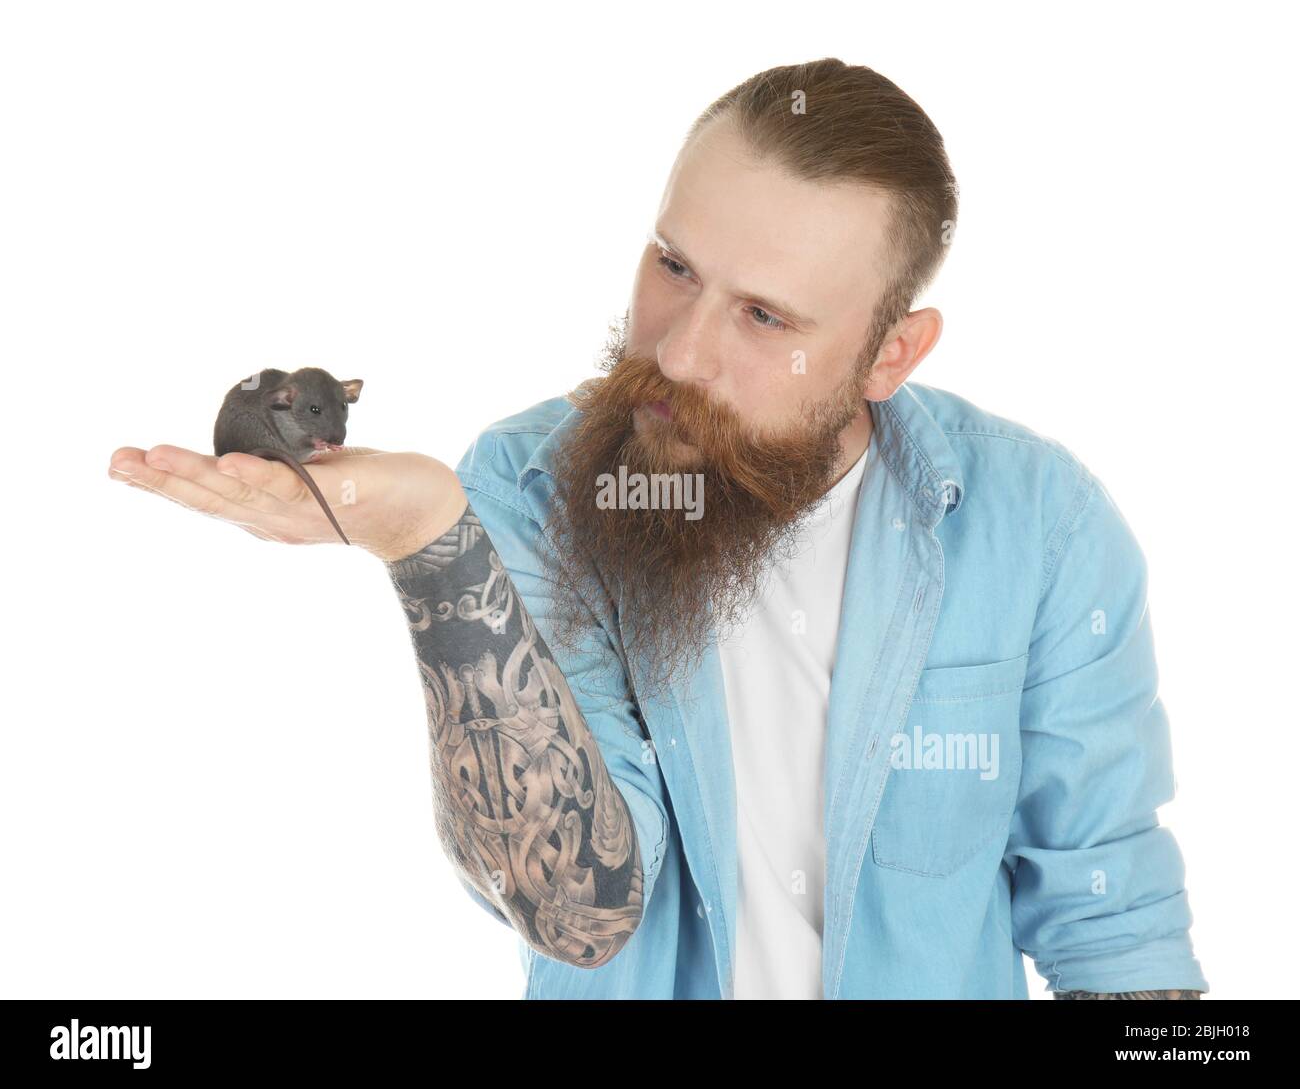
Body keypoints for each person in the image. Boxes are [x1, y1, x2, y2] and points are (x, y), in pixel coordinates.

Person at [107, 58, 1208, 1000]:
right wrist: (432, 544)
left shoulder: (1043, 529)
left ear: (890, 355)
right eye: (674, 266)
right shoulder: (532, 486)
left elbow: (1113, 925)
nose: (677, 353)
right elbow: (574, 905)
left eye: (763, 315)